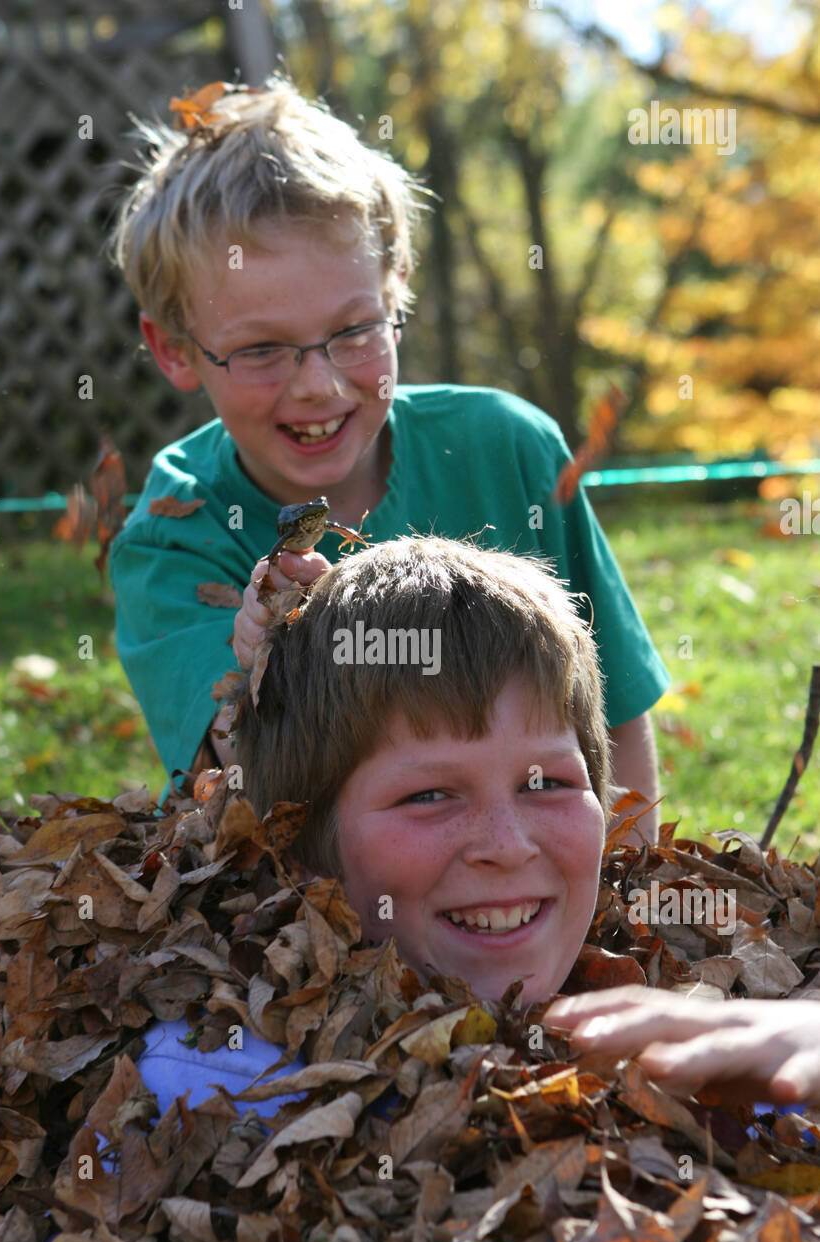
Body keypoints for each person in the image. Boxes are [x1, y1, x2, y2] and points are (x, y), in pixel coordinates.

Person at [107, 74, 668, 835]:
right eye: (264, 348)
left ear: (396, 289)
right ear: (174, 350)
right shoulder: (173, 537)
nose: (318, 383)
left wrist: (620, 892)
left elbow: (618, 716)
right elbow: (232, 797)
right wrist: (257, 675)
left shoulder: (509, 449)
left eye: (353, 331)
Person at [136, 536, 820, 1120]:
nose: (507, 845)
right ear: (297, 845)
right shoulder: (219, 1094)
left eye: (548, 784)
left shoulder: (735, 1054)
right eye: (429, 795)